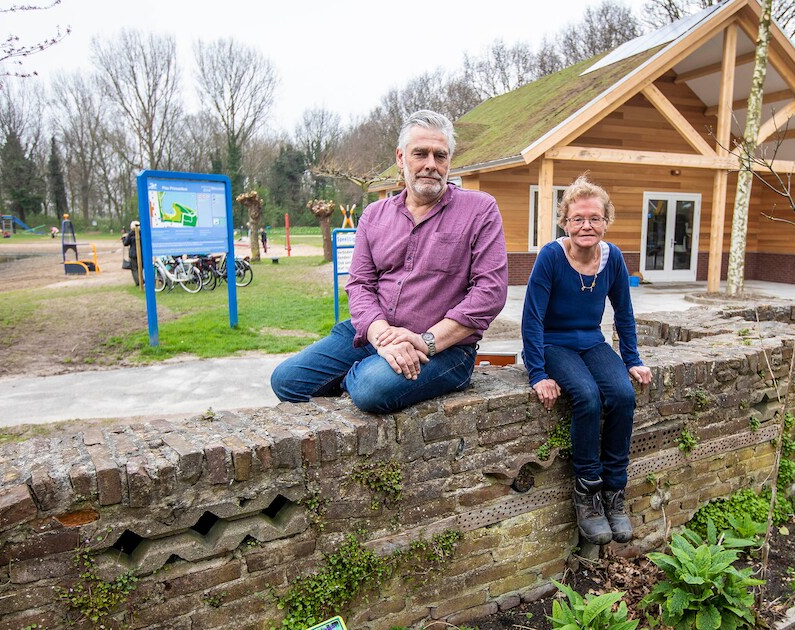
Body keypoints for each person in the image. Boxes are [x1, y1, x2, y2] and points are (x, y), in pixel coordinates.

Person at [270, 110, 508, 414]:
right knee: (287, 380)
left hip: (443, 348)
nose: (431, 165)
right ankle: (370, 365)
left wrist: (425, 341)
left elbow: (491, 291)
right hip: (377, 332)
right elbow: (359, 284)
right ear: (400, 157)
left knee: (371, 388)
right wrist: (382, 336)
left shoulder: (480, 209)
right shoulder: (374, 214)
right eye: (420, 153)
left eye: (440, 156)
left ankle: (360, 375)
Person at [521, 176, 653, 546]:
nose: (586, 226)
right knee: (587, 396)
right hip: (553, 344)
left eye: (594, 218)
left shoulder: (612, 258)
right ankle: (588, 496)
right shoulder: (551, 256)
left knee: (623, 395)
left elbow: (623, 314)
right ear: (565, 222)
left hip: (592, 342)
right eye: (578, 219)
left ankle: (615, 493)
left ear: (605, 222)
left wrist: (633, 359)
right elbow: (531, 318)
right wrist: (537, 374)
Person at [121, 222, 141, 287]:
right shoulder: (142, 233)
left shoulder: (130, 234)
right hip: (141, 253)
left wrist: (123, 239)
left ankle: (138, 282)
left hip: (133, 254)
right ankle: (142, 280)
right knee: (141, 267)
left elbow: (126, 243)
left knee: (134, 269)